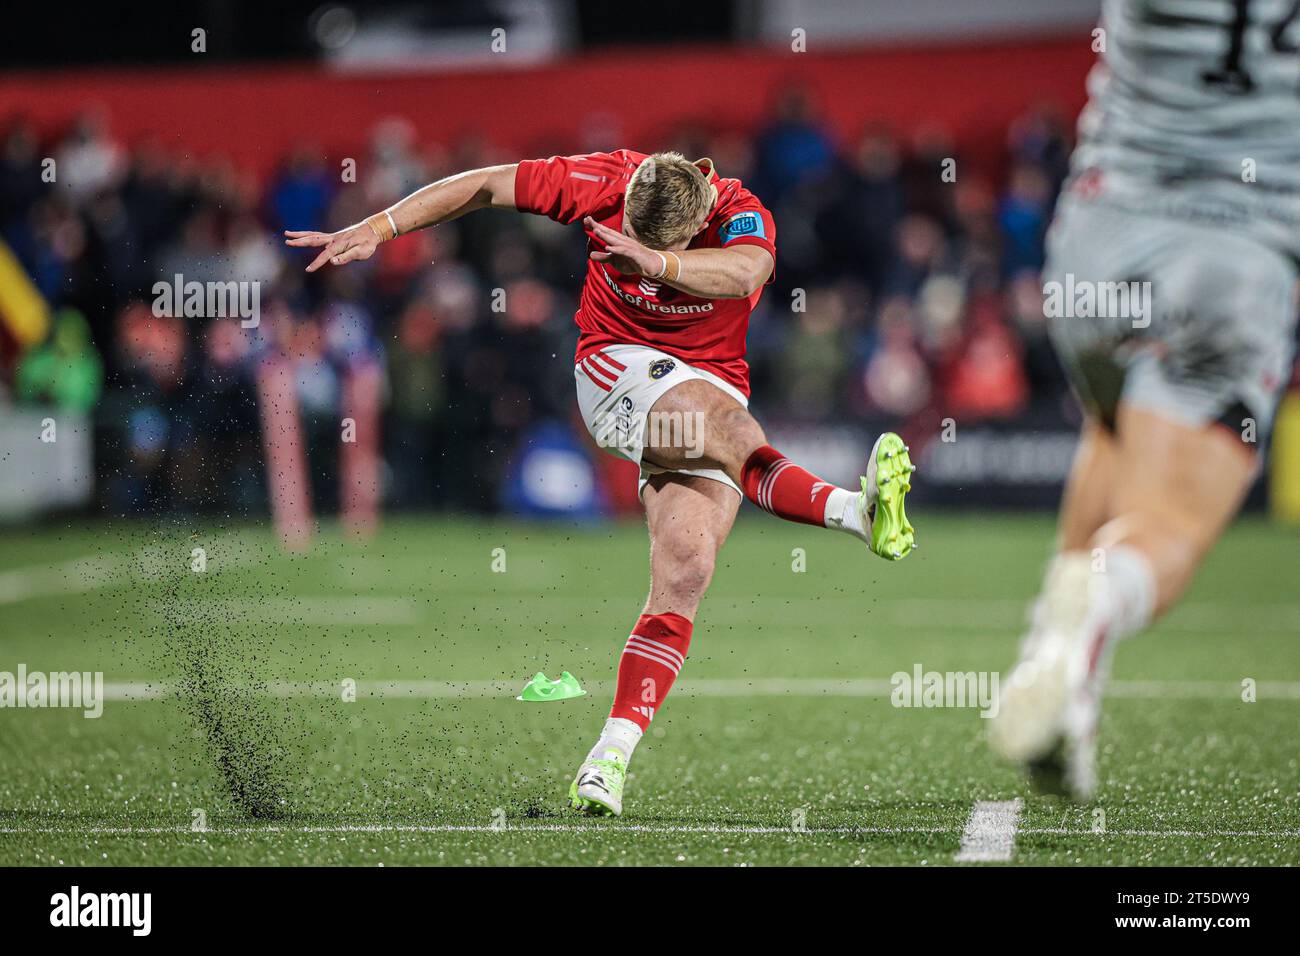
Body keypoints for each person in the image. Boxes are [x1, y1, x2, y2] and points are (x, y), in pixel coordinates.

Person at [285, 149, 917, 816]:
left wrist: (658, 264)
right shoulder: (603, 179)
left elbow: (746, 273)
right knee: (732, 432)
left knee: (686, 569)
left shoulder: (738, 210)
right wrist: (380, 226)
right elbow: (485, 185)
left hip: (705, 387)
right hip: (616, 373)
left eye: (663, 242)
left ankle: (607, 759)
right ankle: (854, 511)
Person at [989, 0, 1300, 799]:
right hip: (1241, 249)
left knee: (1112, 425)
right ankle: (1095, 606)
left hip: (1099, 233)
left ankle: (1056, 671)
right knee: (1168, 527)